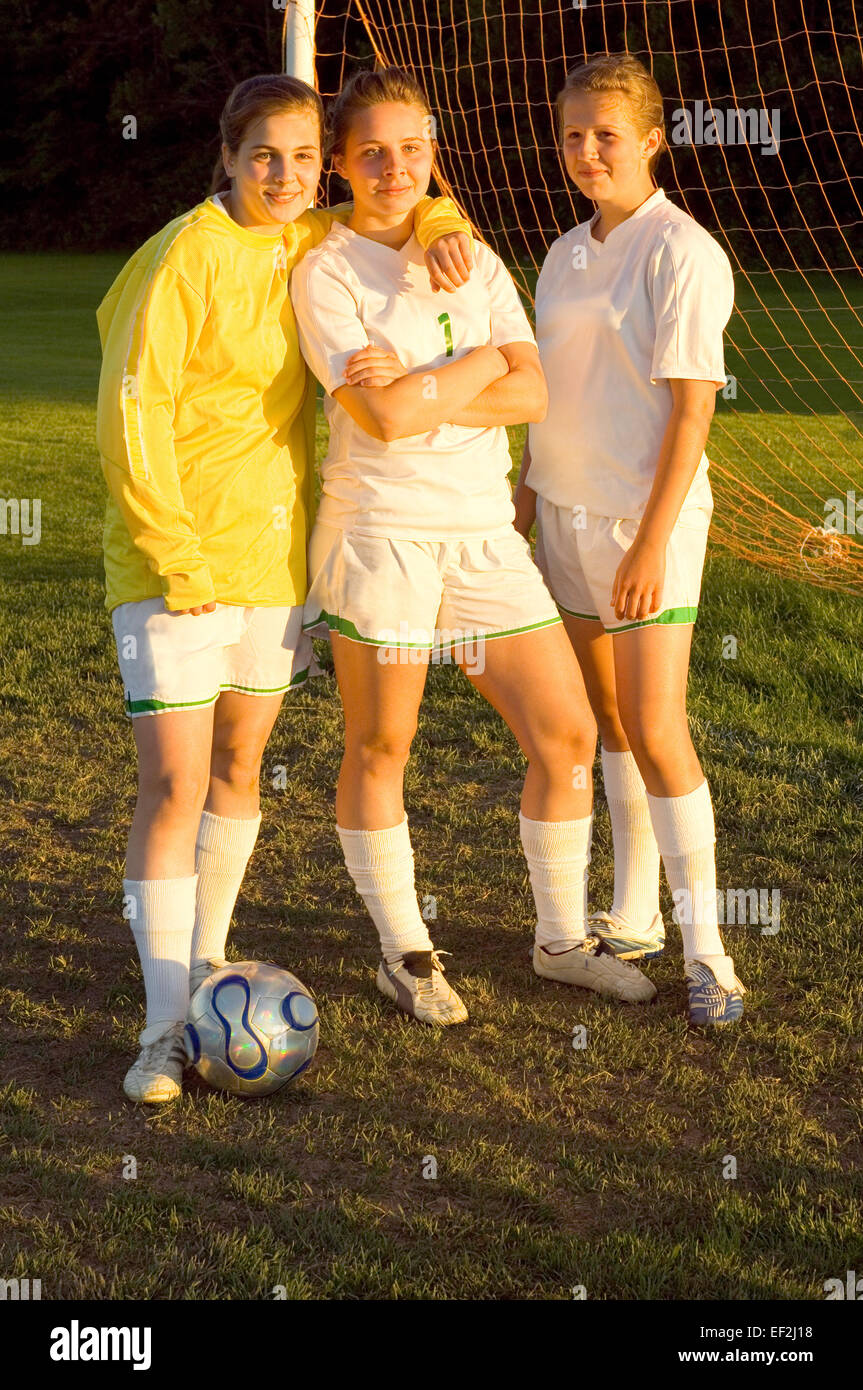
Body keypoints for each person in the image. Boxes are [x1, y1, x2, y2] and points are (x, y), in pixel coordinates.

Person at [97, 72, 475, 1102]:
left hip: (272, 562)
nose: (286, 174)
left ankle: (205, 964)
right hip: (172, 561)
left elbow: (393, 203)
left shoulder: (309, 238)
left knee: (236, 764)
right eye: (265, 154)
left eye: (305, 157)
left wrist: (439, 210)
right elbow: (132, 410)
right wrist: (176, 556)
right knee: (171, 786)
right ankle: (163, 1027)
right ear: (225, 156)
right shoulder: (180, 256)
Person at [290, 66, 656, 1026]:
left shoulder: (472, 258)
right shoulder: (325, 268)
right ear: (340, 162)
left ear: (433, 155)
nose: (394, 167)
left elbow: (531, 397)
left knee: (566, 734)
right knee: (383, 741)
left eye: (413, 149)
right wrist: (477, 365)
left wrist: (430, 382)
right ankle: (404, 952)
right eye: (372, 151)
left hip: (484, 536)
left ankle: (560, 940)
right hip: (381, 539)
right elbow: (374, 419)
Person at [514, 53, 746, 1026]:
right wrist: (525, 499)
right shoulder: (563, 253)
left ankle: (709, 955)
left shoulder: (680, 252)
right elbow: (543, 393)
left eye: (604, 134)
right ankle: (629, 914)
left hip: (644, 524)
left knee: (657, 728)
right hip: (562, 515)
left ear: (652, 141)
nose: (584, 152)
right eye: (571, 134)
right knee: (605, 723)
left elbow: (690, 416)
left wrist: (649, 544)